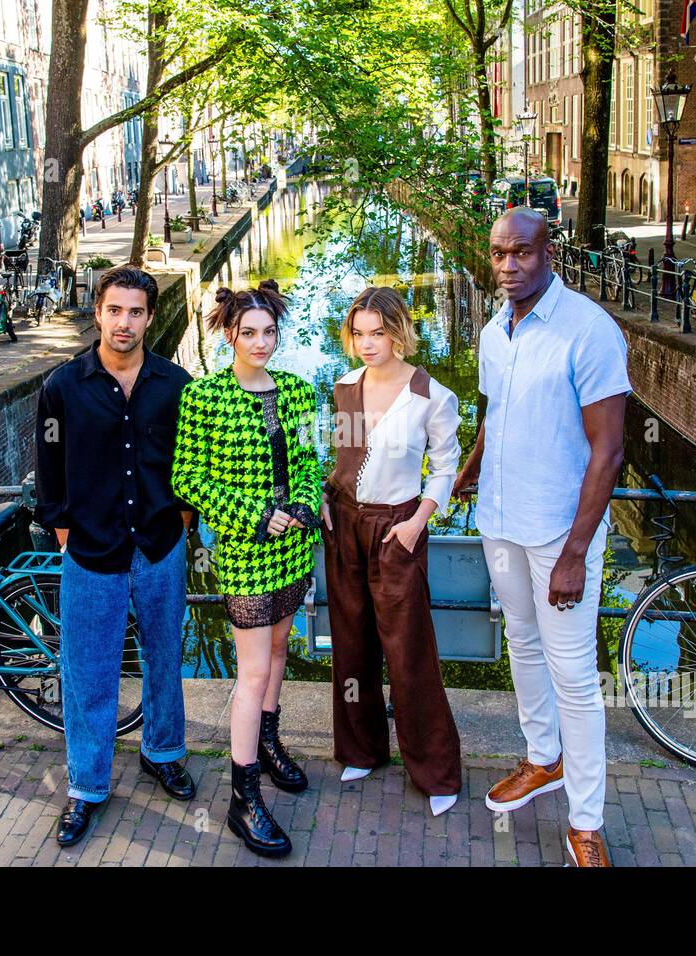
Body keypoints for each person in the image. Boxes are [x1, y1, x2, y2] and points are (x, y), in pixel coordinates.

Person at [454, 208, 631, 867]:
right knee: (522, 646)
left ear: (548, 252)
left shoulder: (589, 332)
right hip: (500, 518)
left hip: (559, 532)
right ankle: (541, 758)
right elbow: (496, 412)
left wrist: (576, 555)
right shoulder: (494, 332)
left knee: (576, 677)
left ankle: (586, 823)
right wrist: (475, 463)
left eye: (520, 253)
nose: (506, 266)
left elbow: (608, 452)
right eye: (498, 253)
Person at [35, 265, 198, 848]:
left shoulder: (177, 385)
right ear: (97, 312)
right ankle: (87, 786)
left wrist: (180, 522)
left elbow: (191, 466)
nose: (123, 322)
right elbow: (49, 469)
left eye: (135, 312)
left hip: (159, 544)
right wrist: (63, 532)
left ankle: (162, 753)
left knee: (164, 656)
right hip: (91, 548)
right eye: (114, 310)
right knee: (88, 670)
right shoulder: (62, 387)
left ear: (151, 317)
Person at [171, 281, 323, 858]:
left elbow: (310, 459)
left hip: (292, 550)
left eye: (269, 332)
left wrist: (303, 505)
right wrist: (256, 515)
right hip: (245, 552)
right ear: (229, 333)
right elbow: (187, 478)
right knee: (253, 672)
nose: (261, 342)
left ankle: (269, 739)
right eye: (249, 333)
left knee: (280, 653)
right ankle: (243, 797)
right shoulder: (204, 397)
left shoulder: (299, 391)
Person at [321, 286, 463, 817]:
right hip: (344, 525)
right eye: (358, 333)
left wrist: (416, 525)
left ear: (399, 331)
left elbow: (445, 470)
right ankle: (361, 748)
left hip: (398, 528)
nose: (366, 343)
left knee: (409, 650)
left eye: (377, 332)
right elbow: (343, 455)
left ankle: (436, 770)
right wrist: (326, 497)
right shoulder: (346, 386)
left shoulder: (432, 395)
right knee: (351, 641)